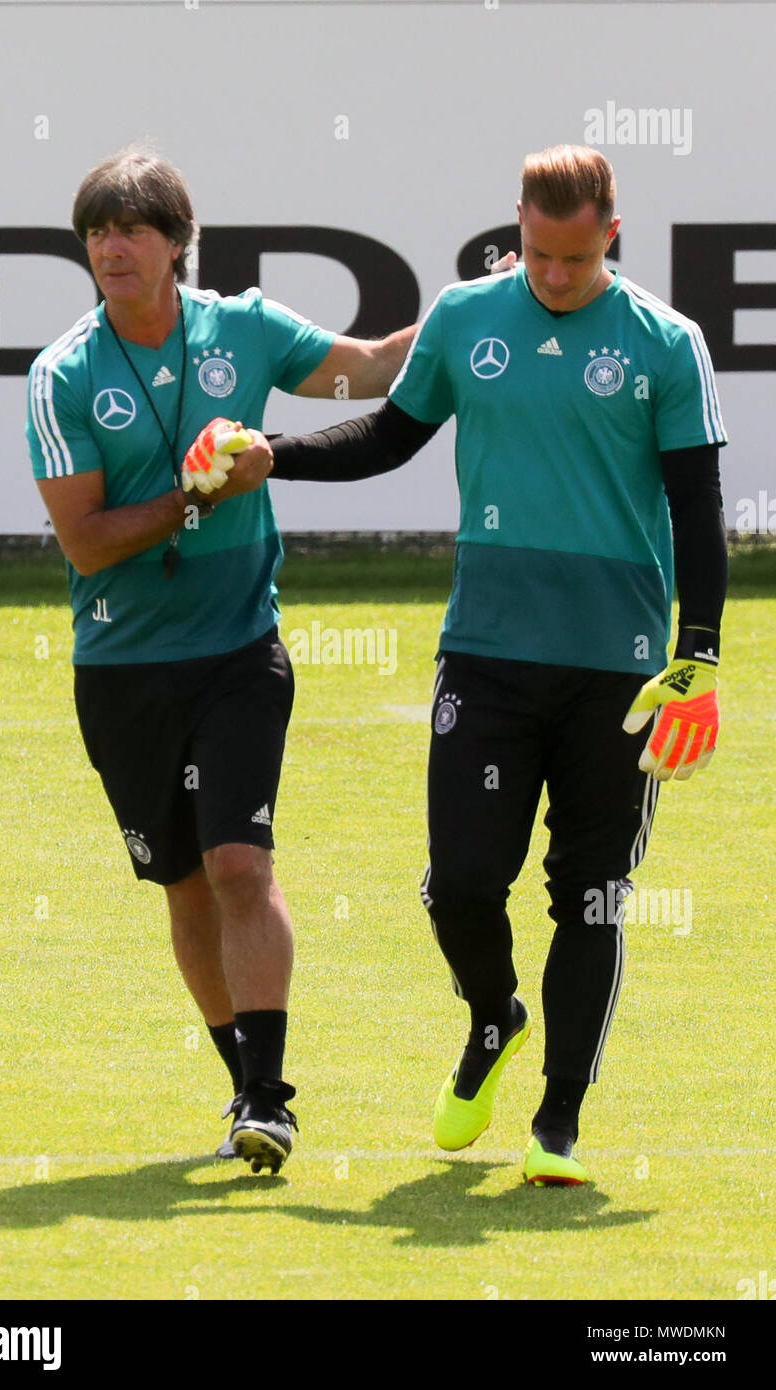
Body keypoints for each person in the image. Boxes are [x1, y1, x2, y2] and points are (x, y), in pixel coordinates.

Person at [270, 145, 728, 1185]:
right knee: (460, 886)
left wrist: (696, 653)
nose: (553, 278)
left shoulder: (667, 343)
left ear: (609, 233)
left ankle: (556, 1121)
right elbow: (390, 436)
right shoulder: (465, 317)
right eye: (536, 254)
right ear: (515, 225)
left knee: (592, 893)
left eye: (572, 259)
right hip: (485, 654)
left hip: (614, 674)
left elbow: (697, 509)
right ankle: (492, 1017)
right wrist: (276, 454)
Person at [27, 143, 415, 1174]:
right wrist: (202, 493)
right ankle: (237, 1075)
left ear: (175, 244)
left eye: (133, 228)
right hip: (122, 669)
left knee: (241, 863)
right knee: (185, 887)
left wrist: (476, 307)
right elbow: (89, 540)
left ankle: (266, 1096)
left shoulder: (241, 328)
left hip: (240, 648)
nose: (112, 246)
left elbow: (367, 366)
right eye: (98, 231)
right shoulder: (63, 374)